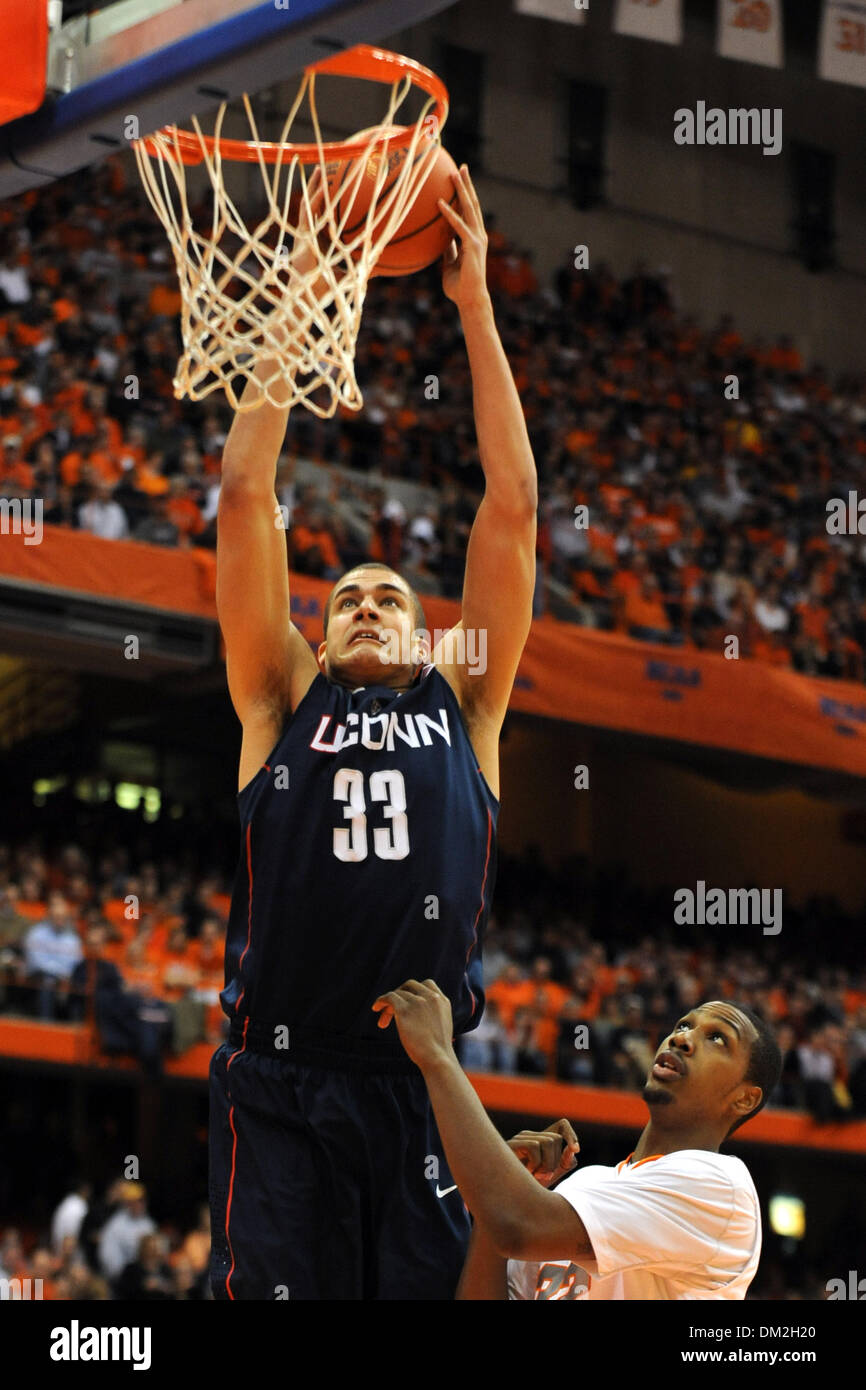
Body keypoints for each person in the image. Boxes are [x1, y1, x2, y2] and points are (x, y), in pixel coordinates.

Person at [210, 163, 537, 1300]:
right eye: (343, 593)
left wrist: (474, 305)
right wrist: (301, 292)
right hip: (279, 1082)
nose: (361, 602)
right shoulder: (278, 696)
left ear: (427, 634)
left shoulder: (469, 700)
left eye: (388, 596)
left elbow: (512, 507)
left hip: (421, 1085)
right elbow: (247, 494)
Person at [374, 986, 781, 1300]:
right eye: (682, 1025)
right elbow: (510, 1230)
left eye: (717, 1039)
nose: (682, 1039)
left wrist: (439, 1057)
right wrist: (492, 1215)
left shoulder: (721, 1186)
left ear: (744, 1098)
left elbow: (519, 1227)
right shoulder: (580, 1188)